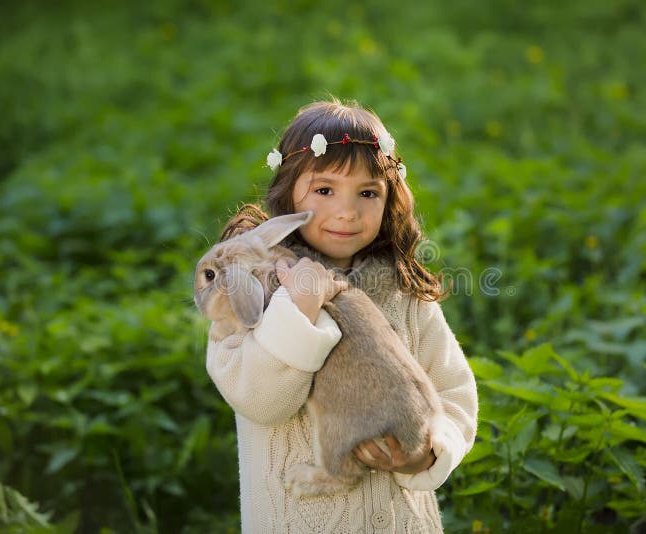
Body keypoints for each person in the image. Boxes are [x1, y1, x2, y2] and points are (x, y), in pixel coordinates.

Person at [205, 99, 478, 533]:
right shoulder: (247, 293)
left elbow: (454, 392)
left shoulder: (405, 296)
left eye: (367, 193)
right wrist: (298, 311)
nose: (347, 211)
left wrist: (428, 451)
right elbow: (261, 401)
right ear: (288, 194)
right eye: (325, 190)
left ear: (388, 201)